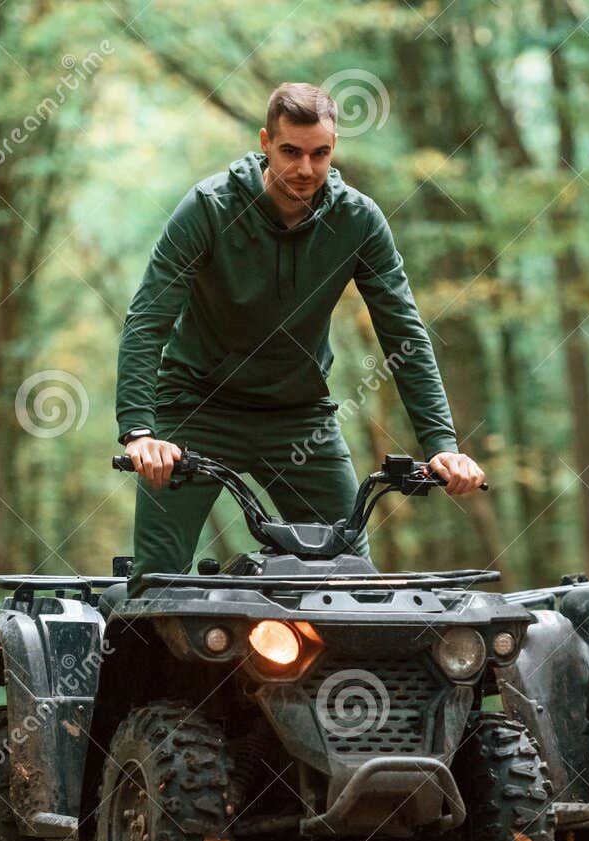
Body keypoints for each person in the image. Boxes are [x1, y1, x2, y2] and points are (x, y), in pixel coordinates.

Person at [115, 82, 485, 594]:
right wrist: (139, 432)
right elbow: (147, 320)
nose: (305, 170)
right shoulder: (208, 207)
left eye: (320, 154)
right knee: (157, 583)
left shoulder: (357, 219)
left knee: (357, 584)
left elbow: (404, 332)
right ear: (266, 142)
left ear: (333, 150)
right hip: (196, 410)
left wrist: (442, 444)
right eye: (291, 152)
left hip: (297, 418)